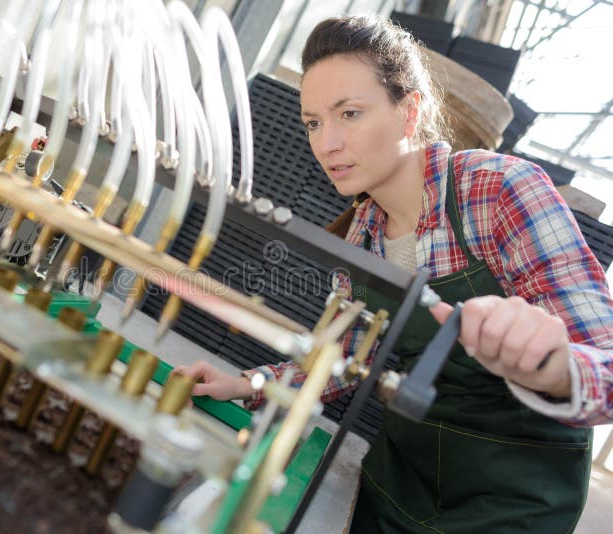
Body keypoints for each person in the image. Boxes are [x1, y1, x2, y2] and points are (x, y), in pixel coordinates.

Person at [173, 15, 613, 532]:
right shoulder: (361, 233)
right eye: (313, 122)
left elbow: (606, 367)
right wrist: (248, 382)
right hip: (396, 482)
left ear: (409, 113)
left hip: (511, 505)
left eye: (350, 114)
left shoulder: (498, 190)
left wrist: (551, 367)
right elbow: (341, 358)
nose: (327, 143)